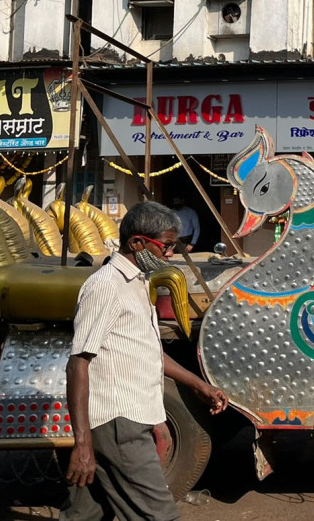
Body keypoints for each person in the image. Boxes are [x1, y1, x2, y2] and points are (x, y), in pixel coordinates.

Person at [61, 201, 229, 521]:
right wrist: (82, 443)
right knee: (159, 515)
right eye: (166, 246)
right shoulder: (106, 286)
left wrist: (198, 385)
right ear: (137, 243)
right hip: (118, 421)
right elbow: (78, 363)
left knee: (85, 514)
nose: (170, 254)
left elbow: (148, 350)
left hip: (127, 418)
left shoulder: (137, 281)